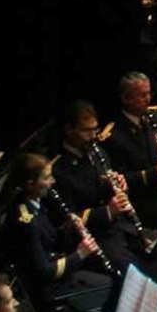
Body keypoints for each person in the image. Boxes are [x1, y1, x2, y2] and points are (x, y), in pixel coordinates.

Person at [0, 153, 113, 312]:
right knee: (107, 283)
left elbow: (47, 239)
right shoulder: (26, 222)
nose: (53, 181)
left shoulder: (33, 202)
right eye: (47, 178)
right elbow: (44, 272)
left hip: (55, 272)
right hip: (47, 290)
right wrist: (80, 254)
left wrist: (67, 229)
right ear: (31, 184)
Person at [50, 101, 143, 268]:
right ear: (69, 130)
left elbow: (107, 189)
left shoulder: (97, 151)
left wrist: (120, 186)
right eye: (87, 130)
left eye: (95, 129)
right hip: (95, 237)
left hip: (118, 226)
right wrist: (107, 211)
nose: (93, 136)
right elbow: (67, 220)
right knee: (130, 268)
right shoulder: (58, 170)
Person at [102, 71, 157, 226]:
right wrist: (152, 174)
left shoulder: (154, 116)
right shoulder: (114, 136)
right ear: (126, 99)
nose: (148, 99)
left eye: (149, 93)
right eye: (141, 96)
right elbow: (119, 179)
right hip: (145, 198)